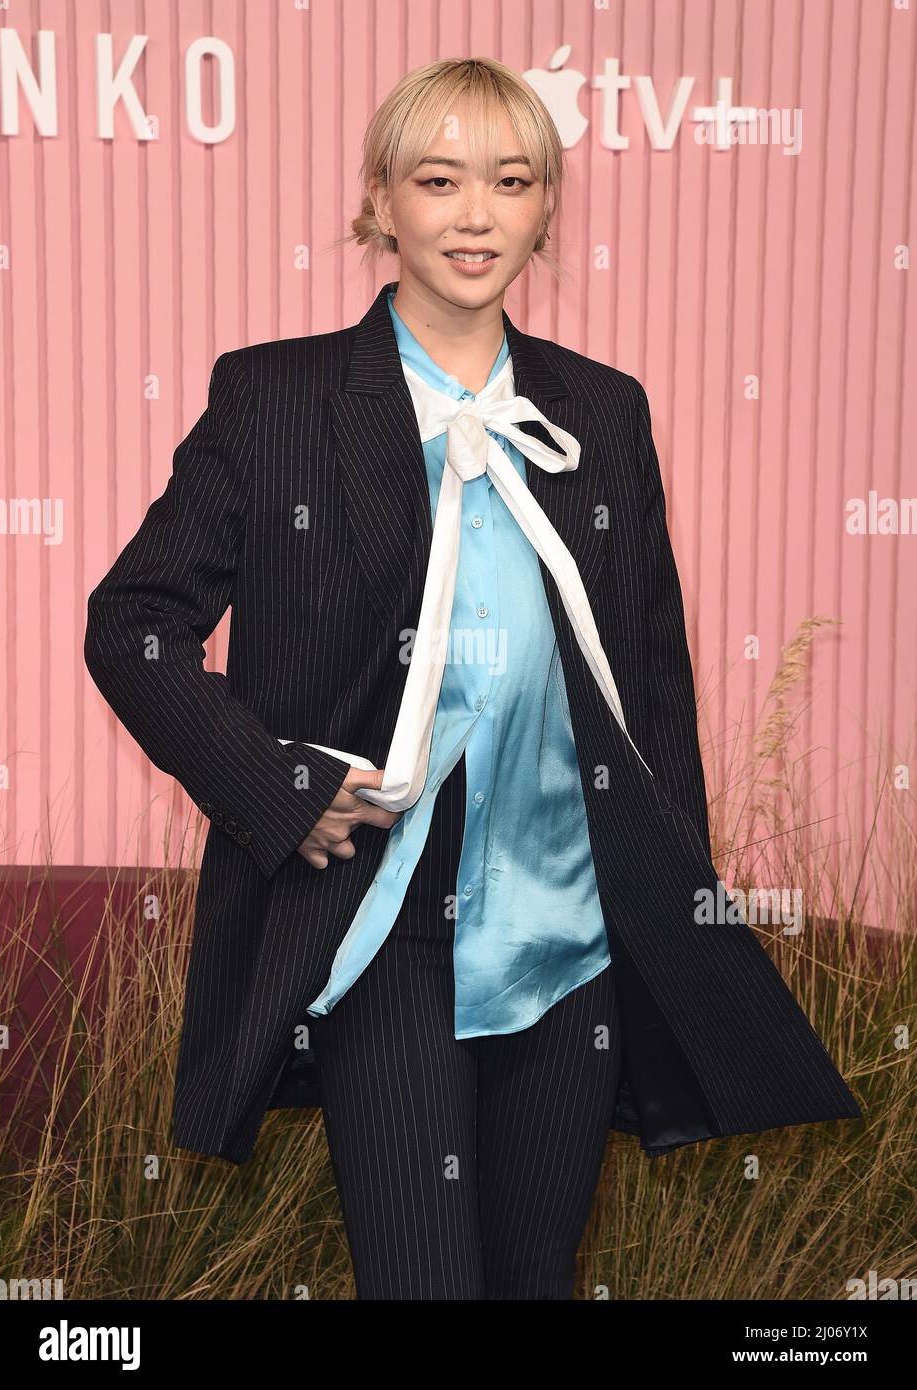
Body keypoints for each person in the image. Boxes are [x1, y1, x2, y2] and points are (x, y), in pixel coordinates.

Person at [84, 56, 861, 1302]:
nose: (474, 214)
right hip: (384, 920)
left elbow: (653, 688)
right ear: (381, 201)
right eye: (437, 180)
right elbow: (132, 625)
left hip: (572, 933)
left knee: (532, 1279)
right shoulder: (275, 395)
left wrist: (671, 916)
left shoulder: (604, 413)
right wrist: (282, 783)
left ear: (546, 207)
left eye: (509, 181)